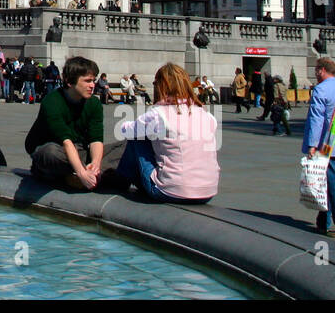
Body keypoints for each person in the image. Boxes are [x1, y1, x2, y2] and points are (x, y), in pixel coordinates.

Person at [108, 62, 219, 203]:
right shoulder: (208, 116)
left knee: (137, 139)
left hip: (170, 191)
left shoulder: (159, 114)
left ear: (160, 87)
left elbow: (126, 130)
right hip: (207, 192)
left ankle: (121, 180)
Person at [25, 56, 104, 191]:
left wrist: (95, 164)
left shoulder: (94, 103)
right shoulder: (52, 101)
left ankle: (75, 175)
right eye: (87, 81)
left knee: (127, 147)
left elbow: (96, 138)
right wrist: (82, 174)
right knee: (50, 153)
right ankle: (81, 175)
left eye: (94, 80)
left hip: (80, 151)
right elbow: (66, 141)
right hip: (55, 149)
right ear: (69, 81)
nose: (92, 85)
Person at [303, 56, 335, 240]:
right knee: (327, 184)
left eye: (317, 70)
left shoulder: (320, 90)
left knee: (333, 186)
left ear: (322, 70)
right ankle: (323, 222)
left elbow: (317, 119)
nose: (316, 74)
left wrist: (312, 145)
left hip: (326, 145)